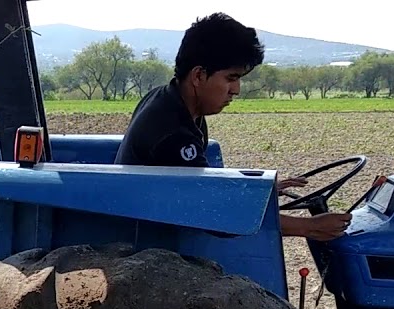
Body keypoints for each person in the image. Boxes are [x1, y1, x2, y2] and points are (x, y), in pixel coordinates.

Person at [114, 13, 352, 242]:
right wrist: (308, 227)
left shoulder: (174, 100)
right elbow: (218, 216)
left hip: (160, 218)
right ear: (198, 76)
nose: (236, 90)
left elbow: (202, 188)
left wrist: (259, 193)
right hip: (148, 239)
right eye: (231, 78)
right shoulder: (172, 133)